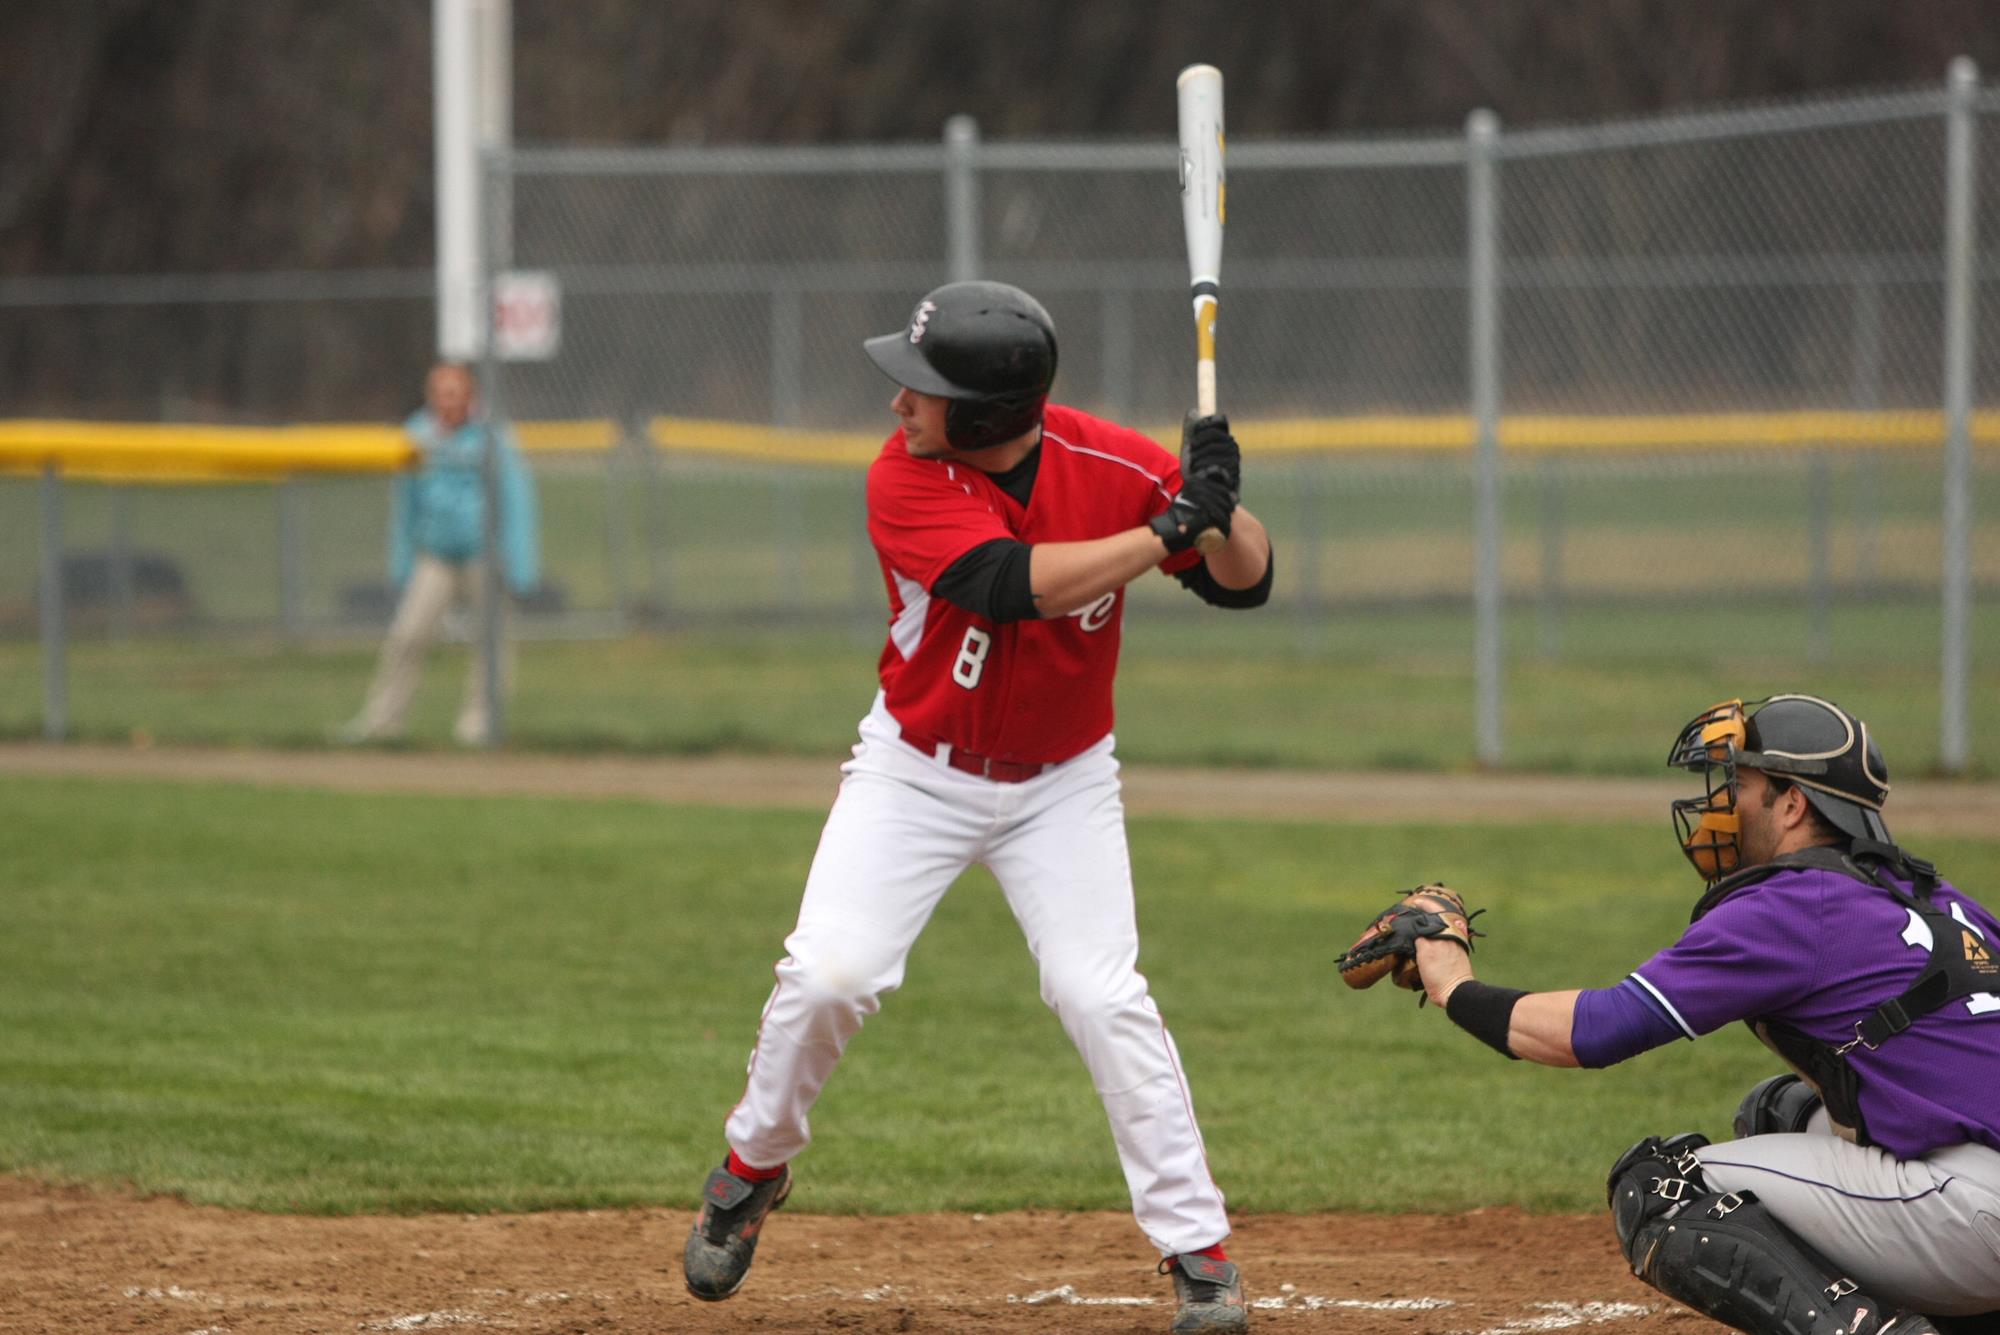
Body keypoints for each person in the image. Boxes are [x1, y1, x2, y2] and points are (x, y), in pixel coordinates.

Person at [682, 280, 1274, 1332]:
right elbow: (1015, 585)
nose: (897, 405)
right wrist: (1164, 530)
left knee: (1098, 996)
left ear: (991, 414)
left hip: (1062, 781)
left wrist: (1220, 509)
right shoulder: (901, 479)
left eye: (923, 390)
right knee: (830, 973)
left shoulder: (1113, 463)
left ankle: (1199, 1250)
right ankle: (752, 1165)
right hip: (913, 773)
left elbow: (1244, 583)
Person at [1399, 694, 2000, 1333]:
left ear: (1793, 803)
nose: (1719, 807)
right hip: (1972, 1197)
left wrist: (1453, 984)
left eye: (1740, 784)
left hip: (1972, 1213)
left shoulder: (1796, 904)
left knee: (1661, 1190)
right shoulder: (1940, 898)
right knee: (1780, 1110)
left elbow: (1597, 1030)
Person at [339, 361, 539, 746]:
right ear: (430, 397)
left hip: (484, 553)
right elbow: (406, 505)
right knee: (407, 636)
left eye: (456, 392)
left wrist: (520, 562)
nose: (448, 401)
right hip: (436, 555)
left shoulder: (492, 434)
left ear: (470, 396)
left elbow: (516, 498)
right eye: (441, 393)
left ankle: (480, 726)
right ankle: (382, 723)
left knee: (491, 644)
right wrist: (401, 565)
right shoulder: (417, 434)